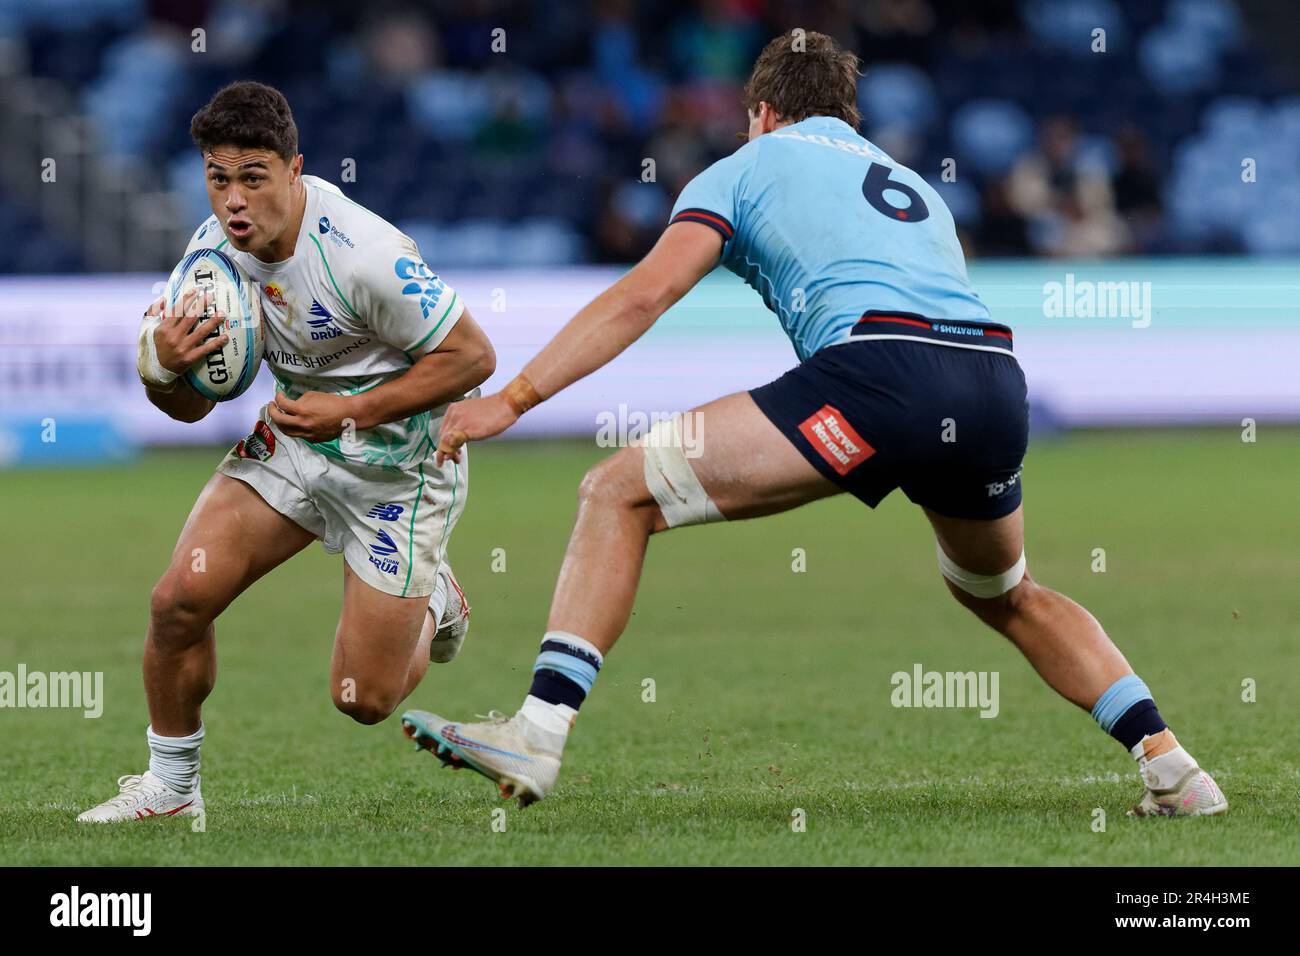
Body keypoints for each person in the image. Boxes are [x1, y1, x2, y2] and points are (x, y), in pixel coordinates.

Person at [402, 33, 1226, 818]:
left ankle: (536, 735)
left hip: (878, 375)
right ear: (848, 117)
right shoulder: (915, 188)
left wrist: (511, 399)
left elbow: (645, 293)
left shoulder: (747, 163)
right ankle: (1171, 764)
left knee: (617, 493)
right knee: (1006, 593)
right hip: (990, 380)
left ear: (760, 111)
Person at [78, 81, 495, 823]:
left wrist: (352, 410)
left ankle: (438, 601)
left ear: (294, 168)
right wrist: (162, 366)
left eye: (252, 178)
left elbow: (472, 358)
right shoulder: (210, 256)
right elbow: (189, 407)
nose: (232, 201)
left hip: (399, 470)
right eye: (217, 178)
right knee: (178, 602)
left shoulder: (363, 253)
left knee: (362, 700)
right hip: (294, 448)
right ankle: (172, 791)